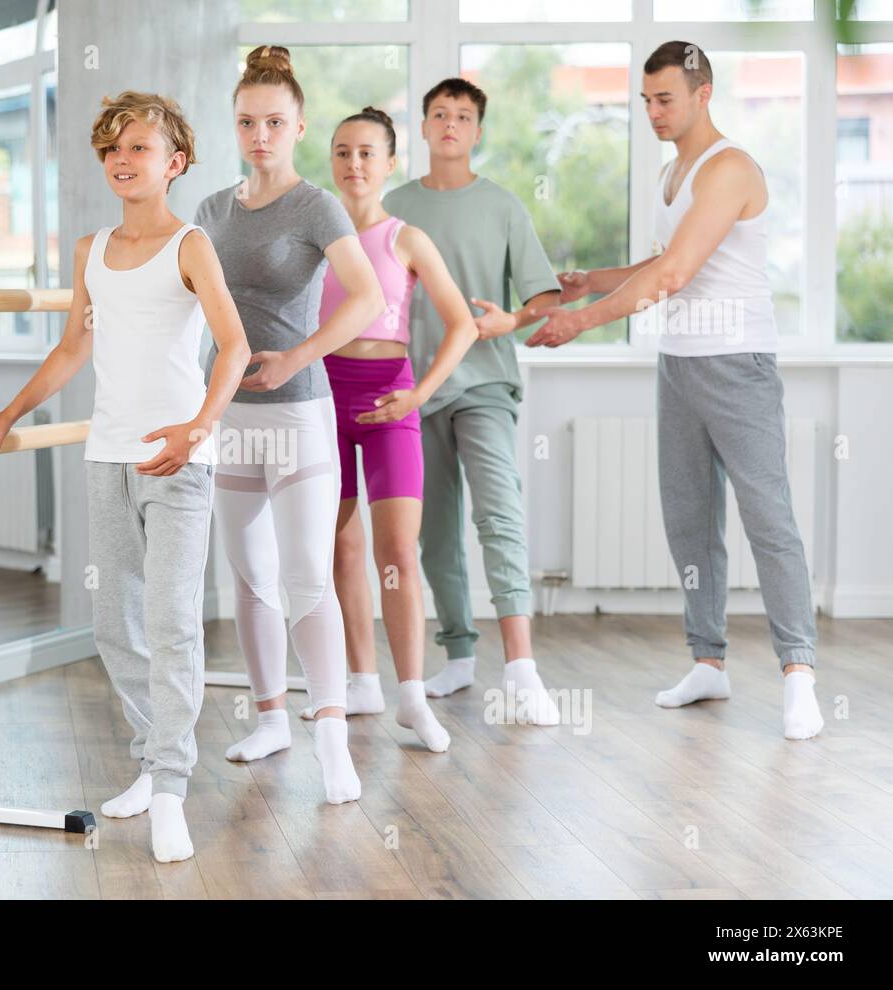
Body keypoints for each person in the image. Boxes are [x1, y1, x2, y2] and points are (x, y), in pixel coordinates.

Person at [0, 92, 249, 862]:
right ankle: (148, 760)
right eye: (110, 150)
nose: (122, 160)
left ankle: (171, 789)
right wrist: (7, 414)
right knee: (112, 626)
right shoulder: (90, 248)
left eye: (139, 148)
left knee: (170, 623)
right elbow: (71, 351)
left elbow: (235, 347)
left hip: (179, 462)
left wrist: (199, 428)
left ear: (175, 163)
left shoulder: (191, 244)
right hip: (108, 457)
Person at [527, 42, 824, 740]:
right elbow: (662, 259)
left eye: (665, 99)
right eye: (646, 100)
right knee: (690, 519)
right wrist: (593, 279)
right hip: (680, 362)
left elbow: (673, 277)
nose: (654, 112)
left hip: (738, 362)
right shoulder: (673, 172)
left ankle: (800, 675)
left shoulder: (731, 168)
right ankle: (708, 660)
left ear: (702, 93)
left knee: (767, 518)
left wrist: (581, 320)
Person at [194, 46, 386, 804]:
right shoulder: (210, 211)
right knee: (249, 577)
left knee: (308, 574)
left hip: (301, 411)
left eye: (275, 121)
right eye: (247, 122)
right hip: (231, 418)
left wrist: (296, 356)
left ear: (299, 125)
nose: (260, 135)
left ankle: (332, 740)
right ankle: (270, 716)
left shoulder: (316, 207)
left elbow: (366, 297)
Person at [381, 78, 563, 724]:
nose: (451, 124)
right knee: (433, 536)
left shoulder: (505, 206)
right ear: (424, 129)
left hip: (484, 381)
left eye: (463, 116)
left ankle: (521, 669)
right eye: (439, 114)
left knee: (499, 515)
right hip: (411, 388)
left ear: (477, 131)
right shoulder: (393, 206)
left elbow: (544, 298)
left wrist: (506, 322)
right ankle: (458, 656)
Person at [307, 106, 479, 752]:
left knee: (397, 555)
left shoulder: (406, 239)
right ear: (331, 160)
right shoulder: (314, 238)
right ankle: (361, 680)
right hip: (324, 399)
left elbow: (461, 324)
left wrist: (417, 394)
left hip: (389, 404)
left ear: (389, 162)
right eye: (343, 151)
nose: (354, 164)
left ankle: (411, 697)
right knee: (341, 550)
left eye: (367, 153)